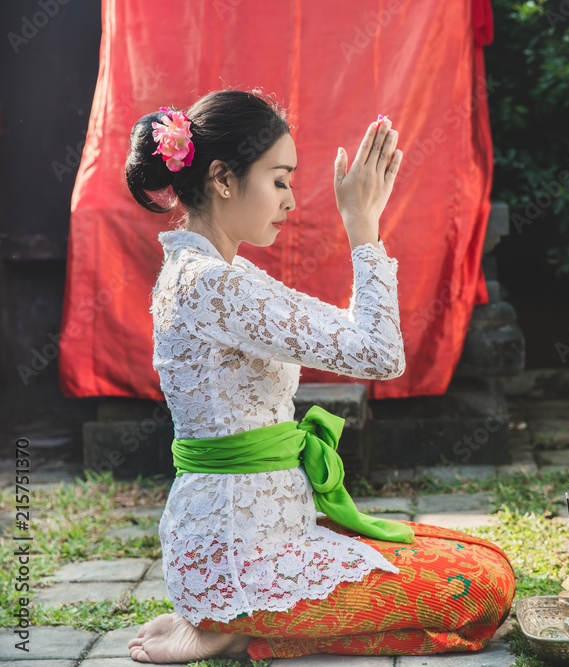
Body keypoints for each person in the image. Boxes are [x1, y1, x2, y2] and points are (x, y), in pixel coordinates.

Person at [122, 88, 515, 662]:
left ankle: (222, 618)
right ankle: (237, 627)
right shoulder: (217, 284)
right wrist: (362, 224)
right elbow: (382, 356)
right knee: (482, 586)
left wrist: (365, 226)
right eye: (279, 179)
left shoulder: (204, 273)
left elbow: (359, 340)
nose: (289, 199)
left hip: (238, 541)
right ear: (223, 179)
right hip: (244, 556)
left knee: (477, 554)